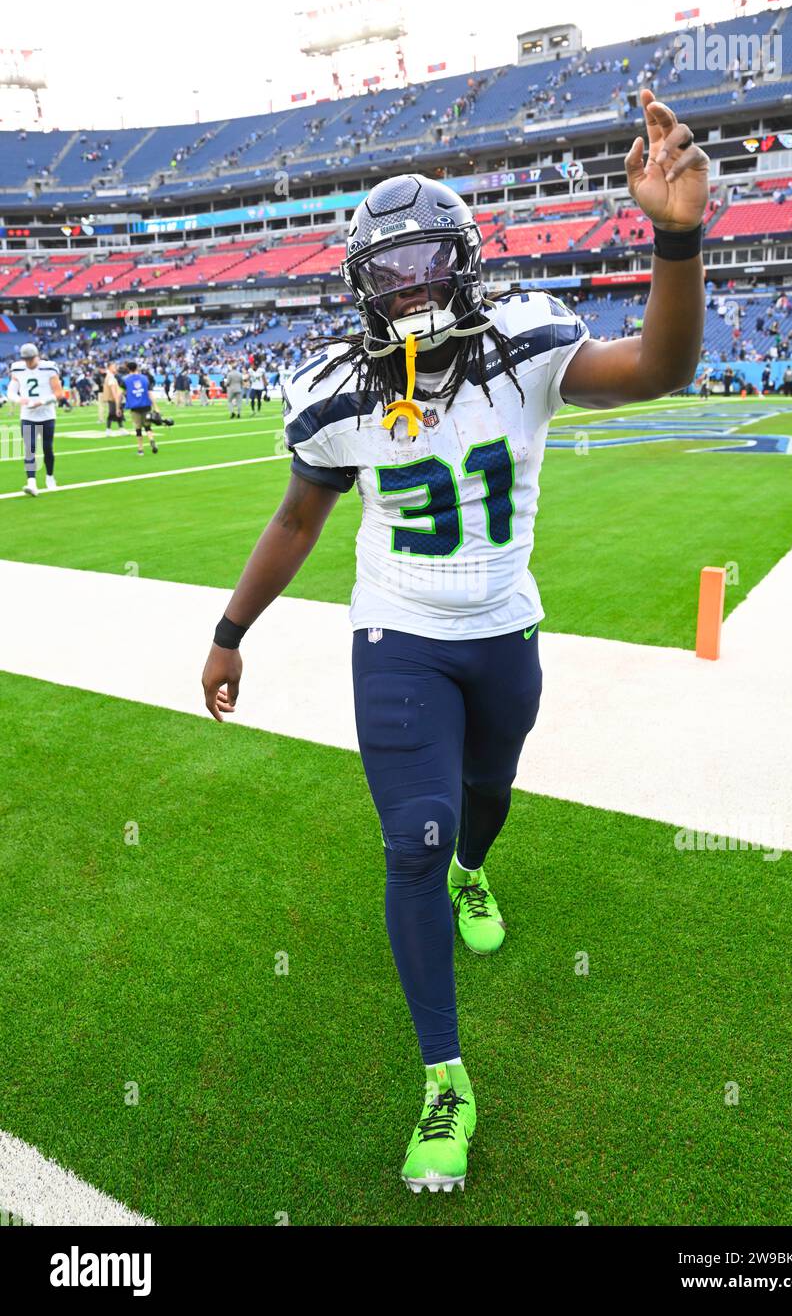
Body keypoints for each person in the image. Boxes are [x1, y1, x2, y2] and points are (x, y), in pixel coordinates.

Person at [201, 89, 708, 1195]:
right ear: (360, 283)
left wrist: (676, 235)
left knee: (483, 800)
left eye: (429, 262)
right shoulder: (337, 391)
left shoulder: (525, 344)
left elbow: (660, 372)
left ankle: (478, 867)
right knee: (412, 840)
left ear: (464, 263)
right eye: (390, 271)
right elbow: (298, 518)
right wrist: (231, 629)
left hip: (502, 628)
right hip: (397, 634)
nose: (412, 287)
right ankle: (445, 1077)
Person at [7, 341, 62, 495]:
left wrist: (41, 402)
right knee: (29, 448)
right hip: (27, 415)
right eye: (26, 359)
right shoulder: (18, 368)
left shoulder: (49, 368)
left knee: (47, 448)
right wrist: (19, 400)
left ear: (37, 356)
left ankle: (50, 476)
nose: (29, 362)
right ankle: (31, 482)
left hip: (46, 414)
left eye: (31, 358)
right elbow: (11, 391)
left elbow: (59, 393)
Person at [123, 360, 158, 456]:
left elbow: (122, 393)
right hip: (146, 405)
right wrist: (156, 407)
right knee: (148, 426)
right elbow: (150, 393)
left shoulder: (125, 380)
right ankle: (151, 440)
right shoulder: (144, 378)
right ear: (137, 368)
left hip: (134, 407)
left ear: (128, 369)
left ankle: (140, 449)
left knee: (138, 429)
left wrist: (119, 406)